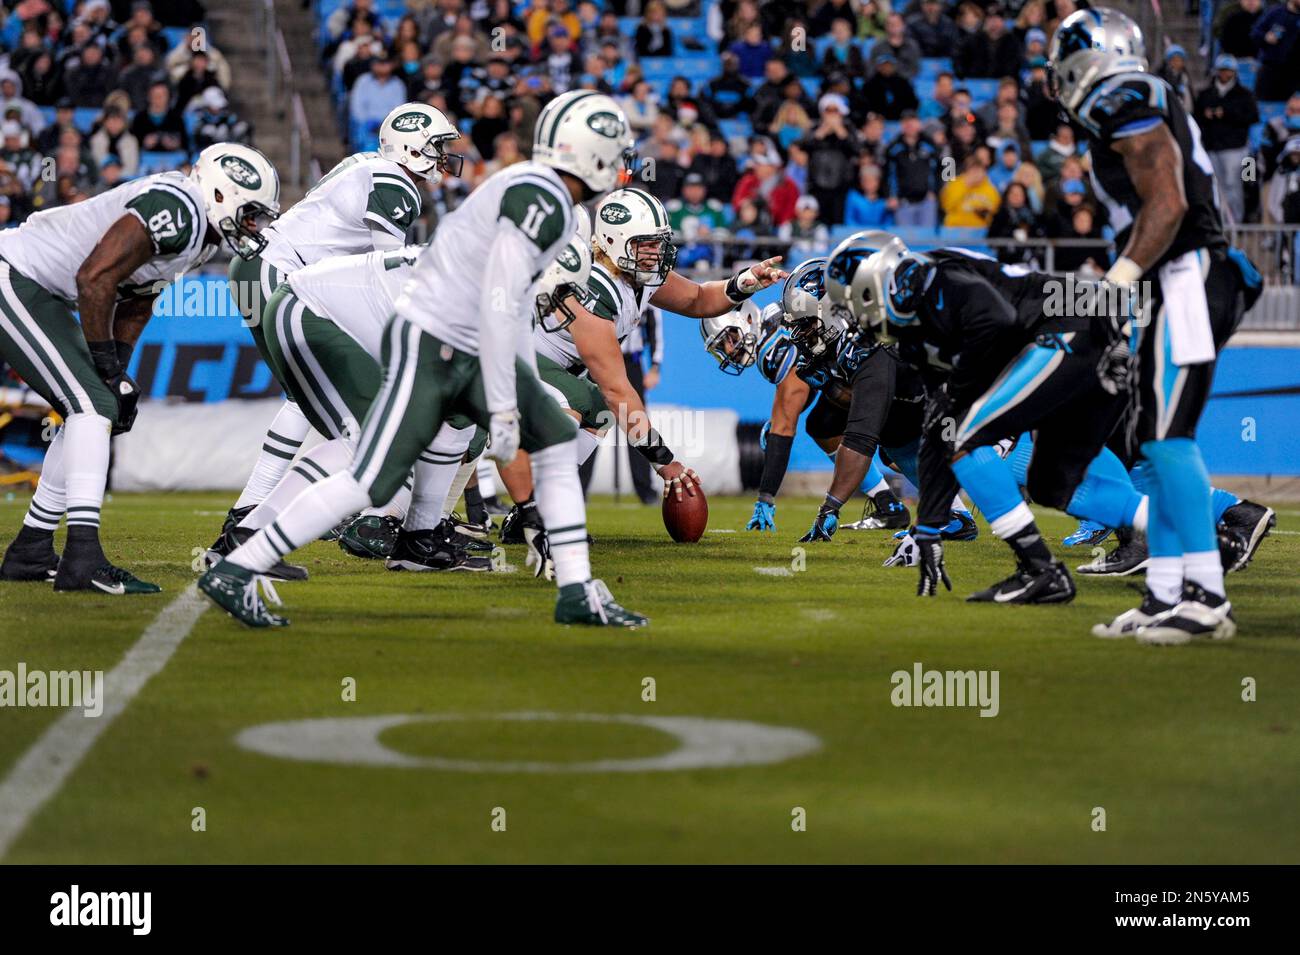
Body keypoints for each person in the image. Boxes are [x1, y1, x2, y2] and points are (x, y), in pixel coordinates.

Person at [199, 91, 651, 629]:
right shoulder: (541, 200)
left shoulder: (541, 195)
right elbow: (502, 295)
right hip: (369, 317)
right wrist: (511, 441)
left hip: (438, 326)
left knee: (545, 433)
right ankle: (241, 562)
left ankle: (571, 588)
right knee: (371, 468)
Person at [1048, 7, 1264, 642]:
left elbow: (1168, 202)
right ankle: (1166, 592)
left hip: (1186, 277)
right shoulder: (1126, 100)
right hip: (1169, 280)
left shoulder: (1123, 95)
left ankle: (1206, 598)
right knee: (1149, 445)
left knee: (1169, 440)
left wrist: (1118, 280)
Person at [0, 144, 280, 593]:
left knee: (97, 405)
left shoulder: (200, 236)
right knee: (91, 403)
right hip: (16, 275)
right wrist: (107, 371)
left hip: (43, 289)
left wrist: (119, 374)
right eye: (251, 214)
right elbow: (95, 278)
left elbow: (139, 299)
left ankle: (31, 548)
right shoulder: (178, 208)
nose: (255, 227)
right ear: (221, 195)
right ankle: (83, 558)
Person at [205, 103, 461, 572]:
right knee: (368, 418)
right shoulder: (394, 180)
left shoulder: (369, 166)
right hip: (283, 277)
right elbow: (393, 276)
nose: (445, 157)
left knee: (311, 401)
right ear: (413, 145)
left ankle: (250, 518)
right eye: (438, 146)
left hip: (264, 271)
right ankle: (279, 522)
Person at [1194, 54, 1260, 225]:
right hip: (1211, 147)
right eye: (1222, 70)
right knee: (1214, 188)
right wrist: (1205, 115)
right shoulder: (1206, 94)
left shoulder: (1244, 94)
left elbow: (1252, 116)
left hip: (1235, 149)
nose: (1225, 74)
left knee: (1233, 186)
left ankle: (1234, 224)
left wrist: (1227, 113)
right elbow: (1196, 118)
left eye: (1229, 71)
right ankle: (1217, 223)